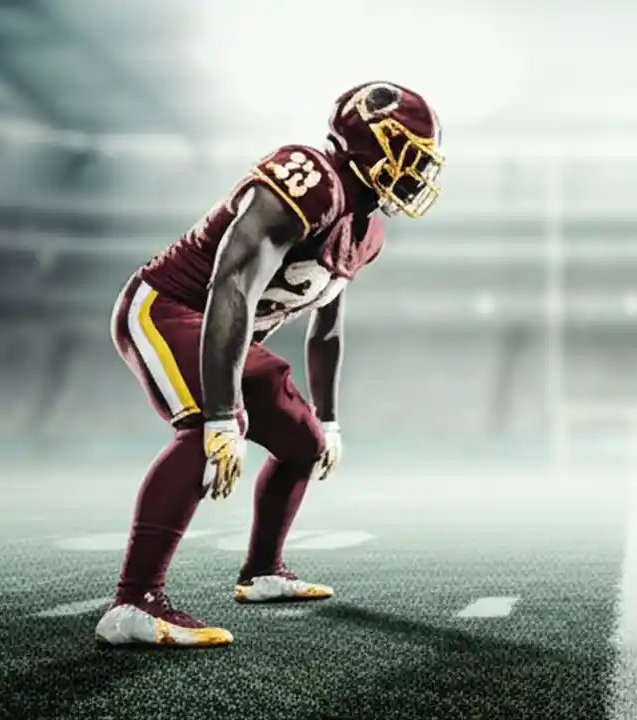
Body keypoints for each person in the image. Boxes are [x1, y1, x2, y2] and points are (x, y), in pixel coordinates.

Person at [95, 81, 444, 647]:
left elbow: (327, 325)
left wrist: (329, 418)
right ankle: (134, 601)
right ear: (366, 140)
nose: (415, 171)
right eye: (407, 152)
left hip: (230, 333)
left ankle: (261, 572)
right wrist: (217, 415)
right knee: (211, 436)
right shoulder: (308, 178)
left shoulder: (366, 228)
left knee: (303, 442)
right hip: (169, 307)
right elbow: (231, 281)